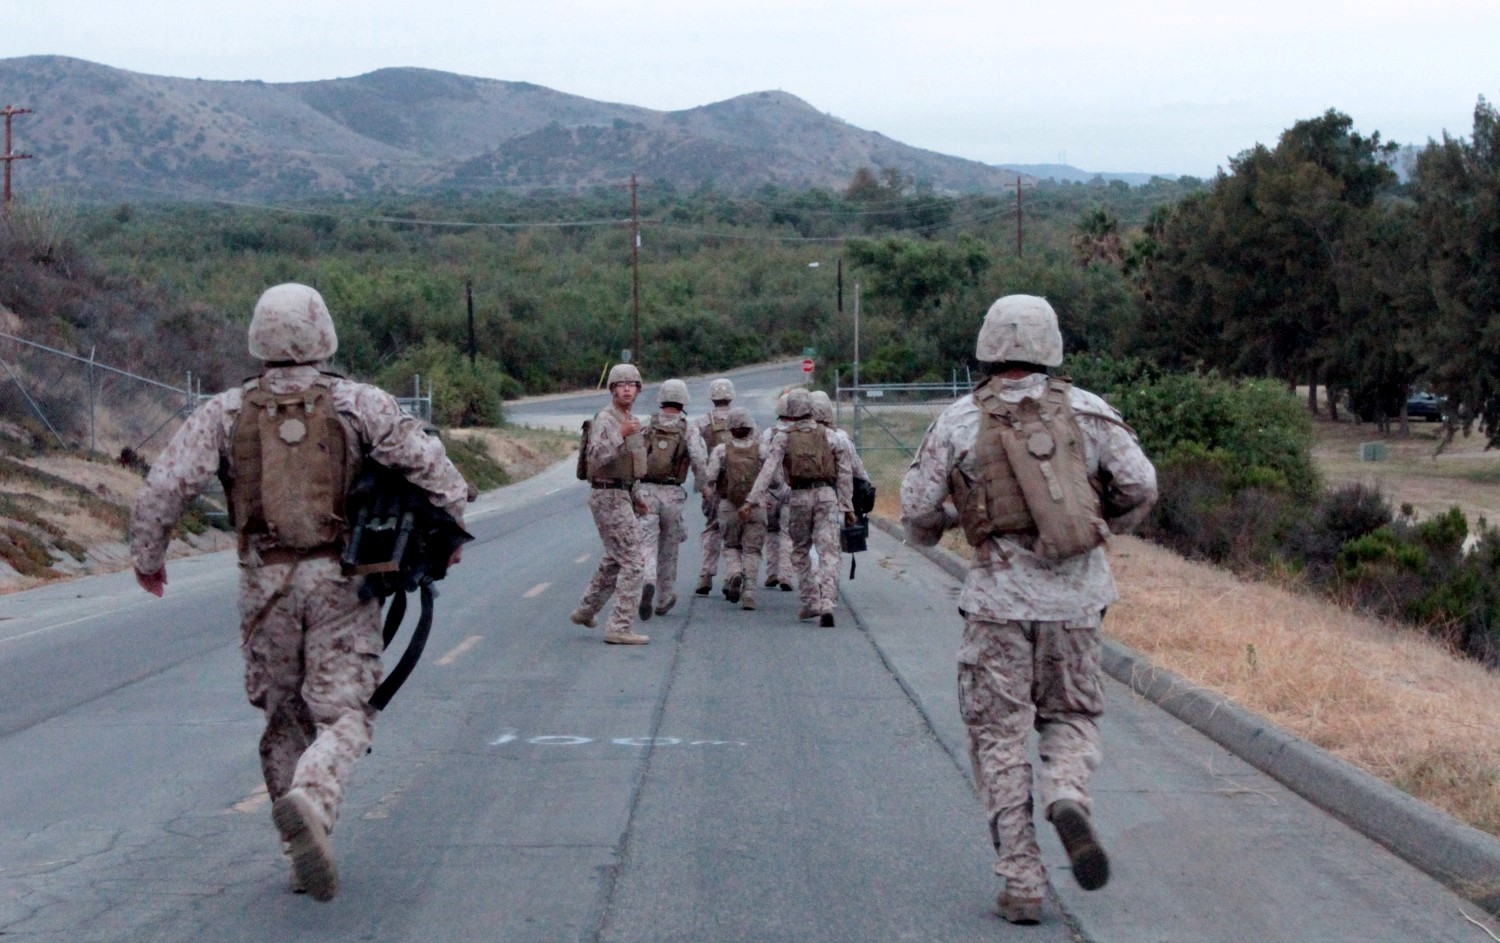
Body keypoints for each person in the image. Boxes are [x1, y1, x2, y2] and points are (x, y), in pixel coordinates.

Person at [128, 283, 473, 903]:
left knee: (283, 714)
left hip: (263, 581)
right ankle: (312, 801)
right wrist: (450, 528)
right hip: (343, 578)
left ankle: (296, 847)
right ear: (324, 332)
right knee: (343, 712)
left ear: (258, 336)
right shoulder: (360, 403)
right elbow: (429, 466)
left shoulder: (224, 412)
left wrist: (147, 558)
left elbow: (165, 487)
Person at [899, 294, 1158, 925]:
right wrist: (1102, 528)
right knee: (1071, 714)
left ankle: (1021, 881)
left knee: (999, 737)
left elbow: (915, 508)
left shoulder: (960, 421)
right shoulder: (1091, 413)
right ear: (1052, 346)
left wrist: (943, 529)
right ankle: (1067, 794)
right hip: (1076, 603)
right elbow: (1141, 485)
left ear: (989, 347)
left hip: (997, 605)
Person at [742, 388, 854, 627]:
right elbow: (845, 471)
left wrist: (752, 499)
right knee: (829, 552)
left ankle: (810, 600)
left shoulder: (783, 437)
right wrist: (847, 505)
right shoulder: (830, 436)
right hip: (826, 496)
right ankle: (828, 603)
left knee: (800, 550)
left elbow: (768, 469)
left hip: (799, 497)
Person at [569, 363, 650, 645]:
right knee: (634, 562)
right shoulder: (606, 419)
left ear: (638, 389)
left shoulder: (629, 418)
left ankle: (586, 610)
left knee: (616, 558)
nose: (627, 389)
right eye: (621, 384)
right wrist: (622, 434)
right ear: (612, 389)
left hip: (622, 494)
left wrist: (637, 497)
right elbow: (597, 456)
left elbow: (629, 463)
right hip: (607, 495)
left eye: (632, 384)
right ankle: (619, 625)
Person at [636, 378, 692, 618]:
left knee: (646, 543)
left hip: (647, 491)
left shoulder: (646, 425)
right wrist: (707, 486)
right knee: (669, 548)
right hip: (672, 494)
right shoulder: (688, 428)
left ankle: (647, 579)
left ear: (661, 399)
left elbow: (632, 453)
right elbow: (699, 459)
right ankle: (665, 597)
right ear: (683, 400)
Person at [705, 407, 767, 610]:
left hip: (728, 506)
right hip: (755, 506)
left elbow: (711, 477)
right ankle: (749, 593)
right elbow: (774, 481)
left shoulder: (721, 451)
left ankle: (734, 573)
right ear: (751, 427)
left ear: (730, 429)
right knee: (752, 550)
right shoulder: (761, 450)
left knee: (731, 546)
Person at [688, 377, 735, 596]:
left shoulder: (702, 423)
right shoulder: (743, 420)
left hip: (713, 485)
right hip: (738, 486)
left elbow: (695, 455)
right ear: (730, 396)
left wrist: (703, 483)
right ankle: (732, 575)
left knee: (712, 527)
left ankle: (706, 574)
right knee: (734, 532)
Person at [760, 393, 795, 593]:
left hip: (771, 489)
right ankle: (786, 574)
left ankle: (772, 572)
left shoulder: (768, 434)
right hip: (791, 488)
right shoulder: (798, 434)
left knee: (770, 532)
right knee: (786, 533)